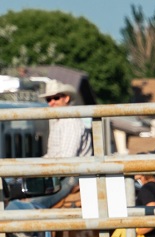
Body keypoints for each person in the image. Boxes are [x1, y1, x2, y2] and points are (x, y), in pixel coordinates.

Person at [6, 80, 92, 211]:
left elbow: (67, 161)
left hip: (71, 176)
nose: (52, 102)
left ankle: (31, 223)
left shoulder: (70, 121)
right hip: (60, 173)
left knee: (34, 203)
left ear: (66, 98)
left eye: (56, 98)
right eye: (48, 99)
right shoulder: (59, 120)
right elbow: (53, 155)